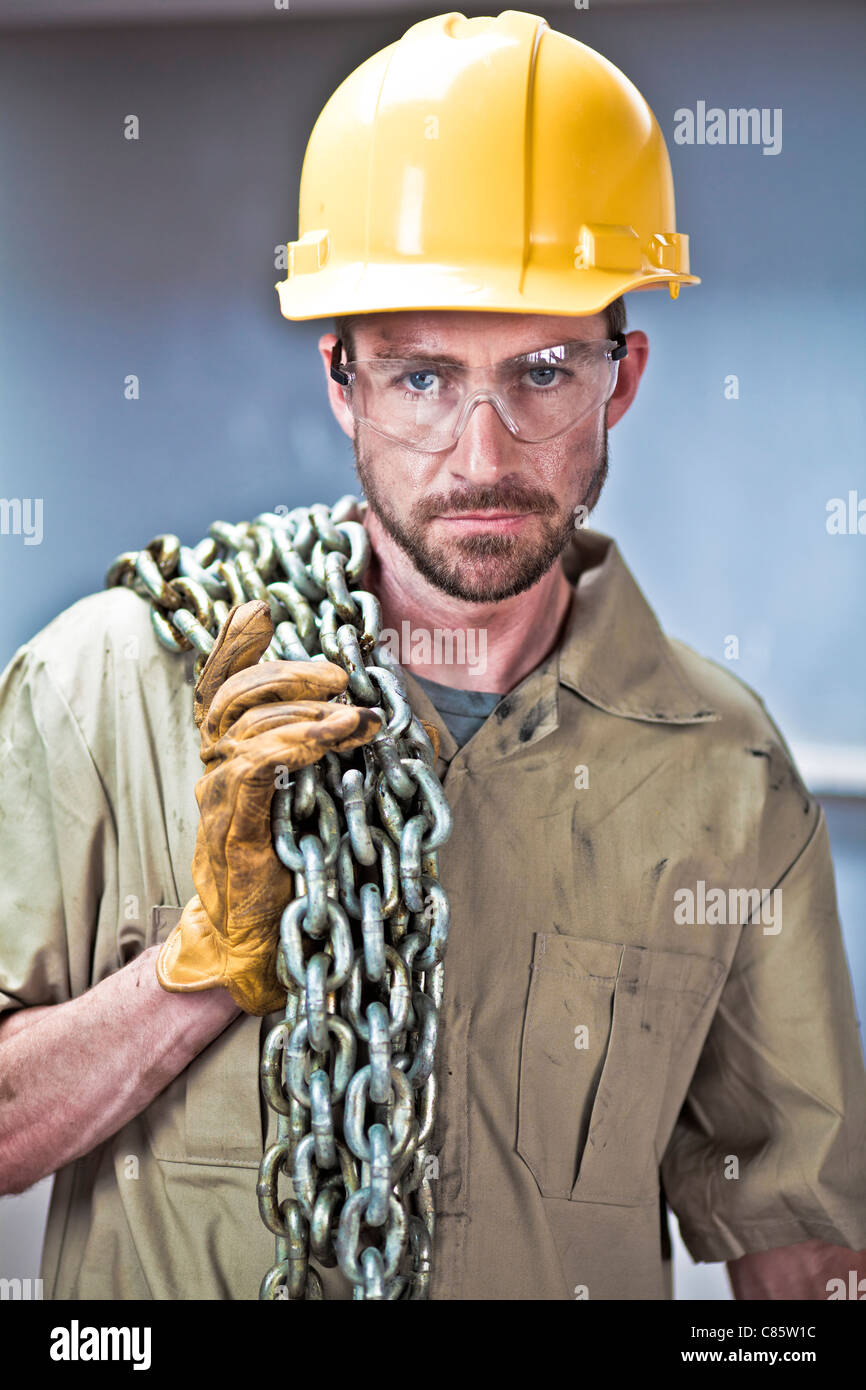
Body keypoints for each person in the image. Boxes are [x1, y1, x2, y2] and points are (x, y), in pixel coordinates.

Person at [1, 10, 864, 1302]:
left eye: (541, 372)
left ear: (620, 376)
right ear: (339, 380)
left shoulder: (722, 772)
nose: (479, 456)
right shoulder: (107, 686)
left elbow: (802, 1252)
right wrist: (197, 971)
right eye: (418, 378)